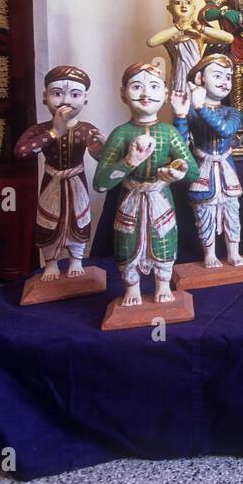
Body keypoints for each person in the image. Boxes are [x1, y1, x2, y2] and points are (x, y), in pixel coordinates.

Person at [93, 62, 198, 306]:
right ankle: (132, 289)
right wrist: (130, 161)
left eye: (154, 87)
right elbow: (100, 183)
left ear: (165, 94)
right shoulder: (121, 134)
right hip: (130, 201)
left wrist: (178, 172)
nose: (145, 94)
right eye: (136, 86)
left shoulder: (169, 132)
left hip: (160, 198)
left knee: (165, 241)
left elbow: (193, 172)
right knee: (125, 243)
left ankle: (163, 285)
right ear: (123, 94)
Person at [13, 66, 106, 280]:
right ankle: (51, 263)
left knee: (79, 220)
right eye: (57, 93)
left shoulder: (85, 129)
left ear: (85, 100)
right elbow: (21, 152)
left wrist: (99, 149)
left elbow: (103, 160)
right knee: (48, 221)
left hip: (77, 183)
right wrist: (54, 132)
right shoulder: (40, 129)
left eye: (74, 94)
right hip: (52, 182)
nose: (65, 100)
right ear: (45, 98)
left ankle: (76, 260)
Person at [172, 54, 243, 269]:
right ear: (199, 79)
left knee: (232, 212)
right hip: (202, 169)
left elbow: (225, 131)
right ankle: (210, 254)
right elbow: (180, 143)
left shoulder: (232, 112)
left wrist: (201, 107)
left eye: (229, 77)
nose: (225, 81)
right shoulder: (192, 113)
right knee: (204, 214)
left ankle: (234, 252)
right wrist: (179, 116)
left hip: (225, 169)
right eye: (217, 75)